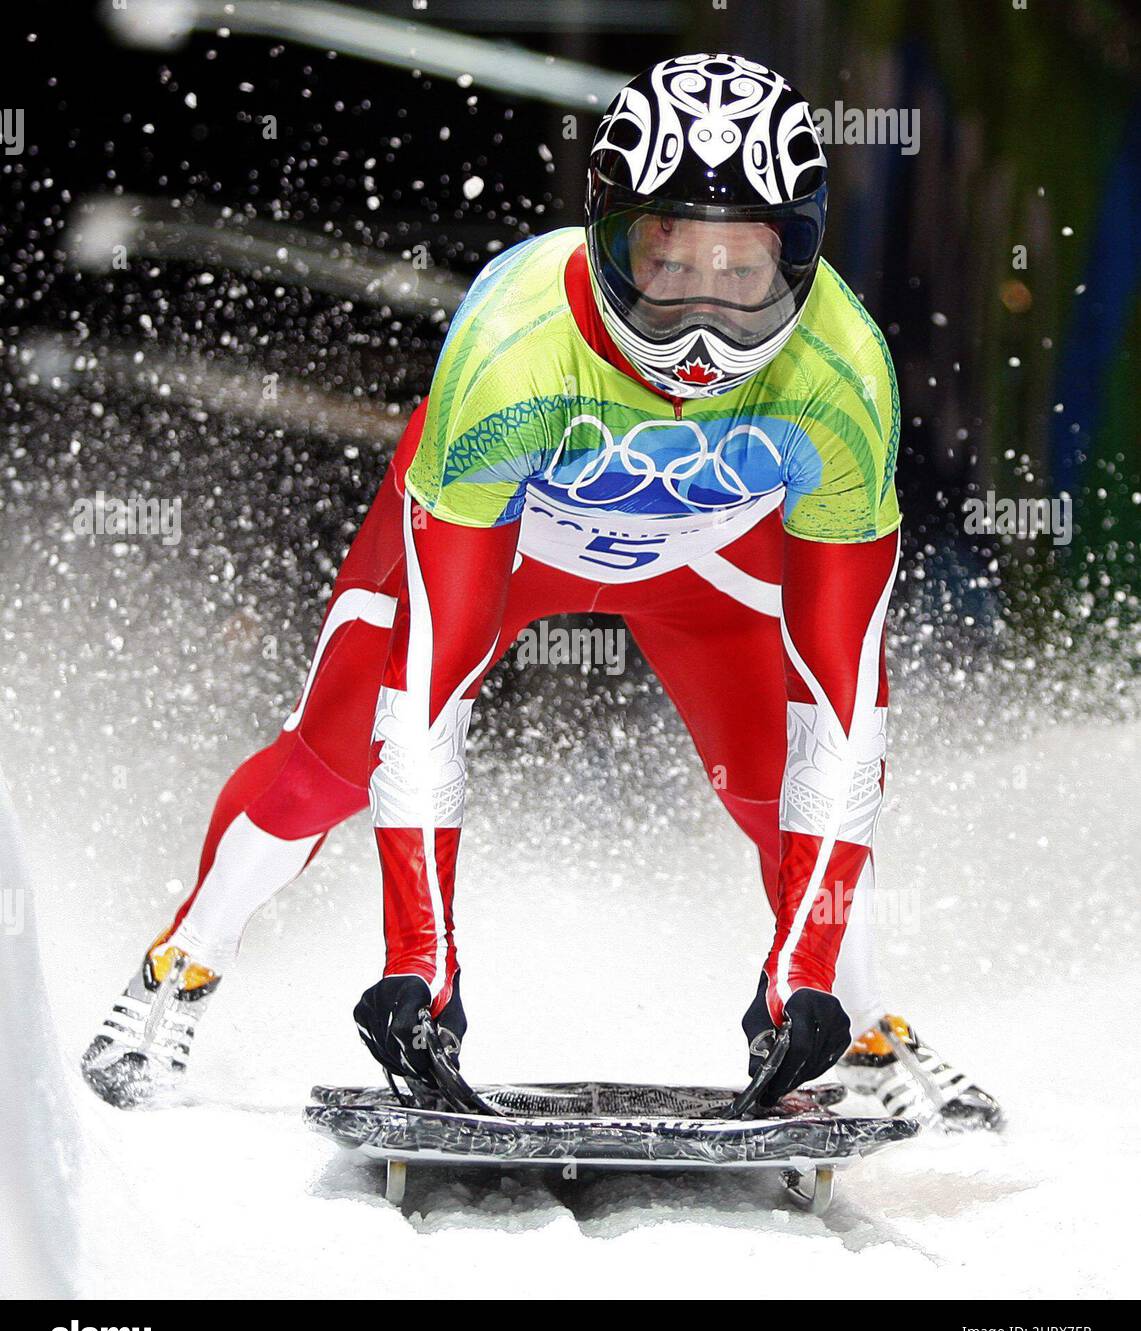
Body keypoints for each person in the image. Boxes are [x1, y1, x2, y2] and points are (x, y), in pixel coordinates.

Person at [83, 53, 1000, 1127]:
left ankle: (863, 1014)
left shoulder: (844, 380)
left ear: (799, 254)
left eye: (742, 272)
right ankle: (184, 957)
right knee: (337, 754)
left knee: (773, 786)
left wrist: (798, 973)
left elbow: (840, 721)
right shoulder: (512, 345)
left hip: (704, 565)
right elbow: (426, 697)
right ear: (608, 234)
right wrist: (421, 967)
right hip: (512, 535)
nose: (702, 331)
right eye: (666, 264)